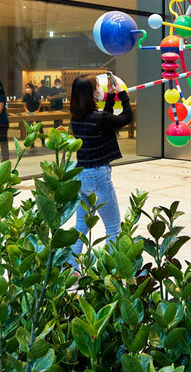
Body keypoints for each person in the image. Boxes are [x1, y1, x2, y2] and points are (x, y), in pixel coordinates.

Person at [68, 73, 132, 268]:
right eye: (97, 86)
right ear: (90, 93)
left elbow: (106, 120)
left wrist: (111, 97)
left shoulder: (77, 118)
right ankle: (110, 272)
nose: (100, 89)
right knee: (113, 228)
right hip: (98, 177)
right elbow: (126, 117)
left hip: (82, 177)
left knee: (81, 227)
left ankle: (71, 271)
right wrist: (123, 96)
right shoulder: (99, 118)